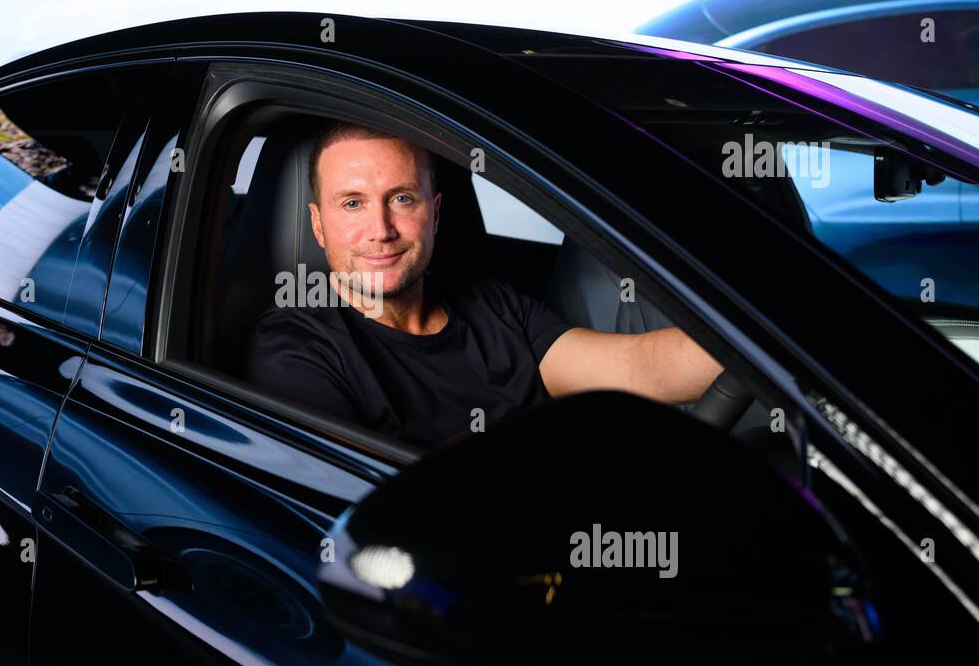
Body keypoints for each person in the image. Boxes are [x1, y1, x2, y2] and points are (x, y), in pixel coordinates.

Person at [242, 120, 723, 448]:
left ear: (435, 213)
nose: (381, 229)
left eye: (402, 198)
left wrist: (762, 339)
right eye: (352, 204)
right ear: (319, 226)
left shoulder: (488, 302)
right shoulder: (295, 348)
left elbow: (637, 368)